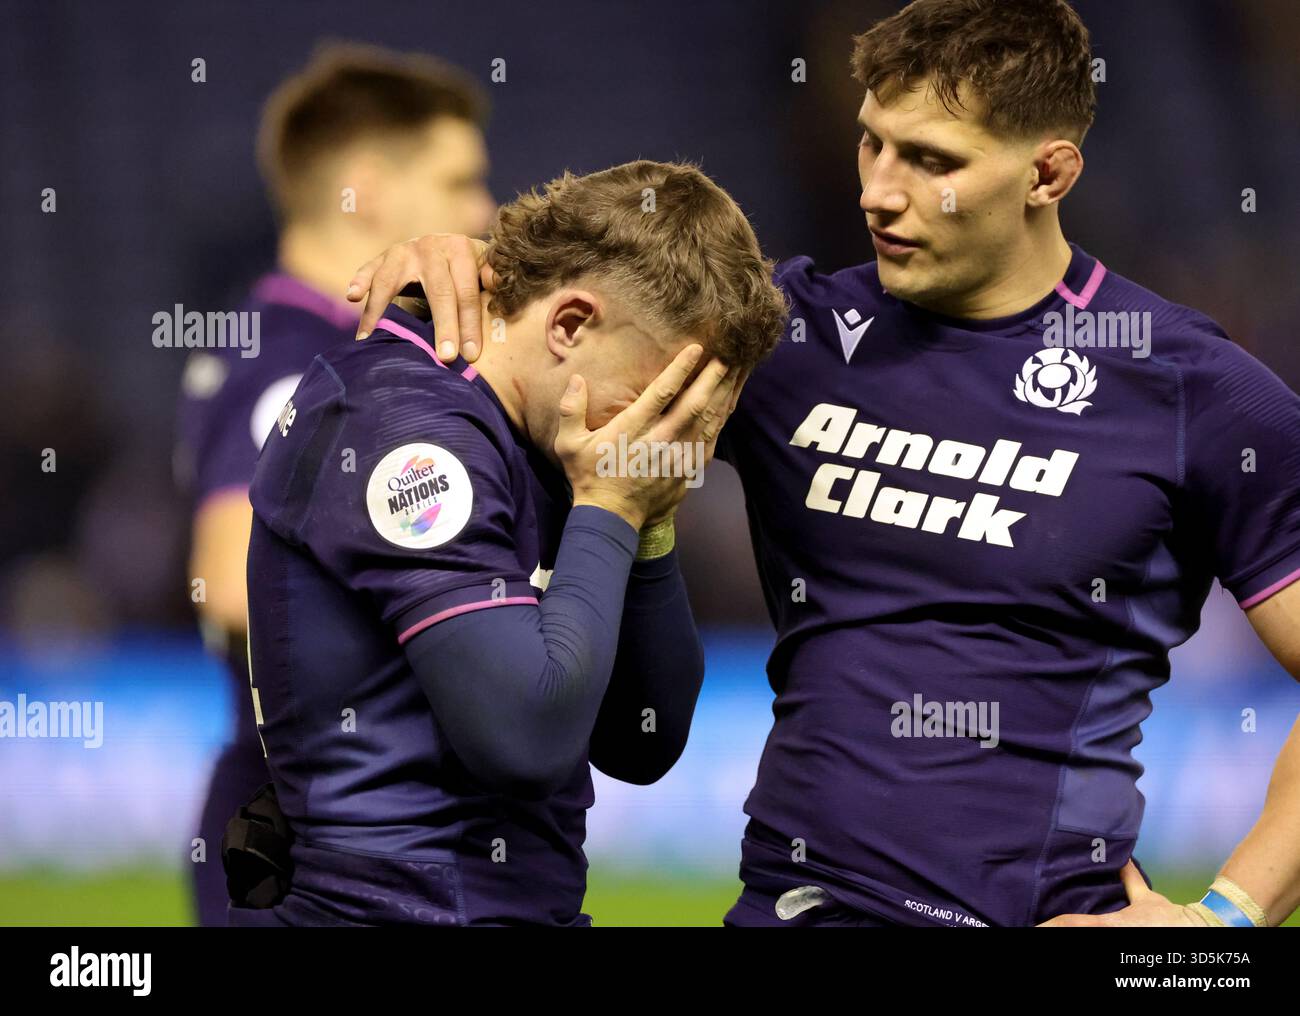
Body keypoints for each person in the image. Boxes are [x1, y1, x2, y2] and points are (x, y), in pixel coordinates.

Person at [347, 0, 1300, 927]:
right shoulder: (780, 339)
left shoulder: (1197, 392)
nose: (879, 190)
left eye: (932, 161)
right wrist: (469, 262)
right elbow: (575, 327)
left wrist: (1222, 923)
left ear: (1048, 174)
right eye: (872, 142)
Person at [233, 160, 787, 925]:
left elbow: (642, 739)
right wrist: (612, 505)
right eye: (659, 403)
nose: (673, 441)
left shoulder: (547, 433)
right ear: (568, 325)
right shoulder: (405, 431)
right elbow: (527, 740)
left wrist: (649, 524)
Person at [173, 42, 495, 926]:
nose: (485, 210)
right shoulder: (297, 359)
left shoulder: (280, 338)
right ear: (370, 185)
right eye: (461, 181)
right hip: (309, 825)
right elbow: (230, 579)